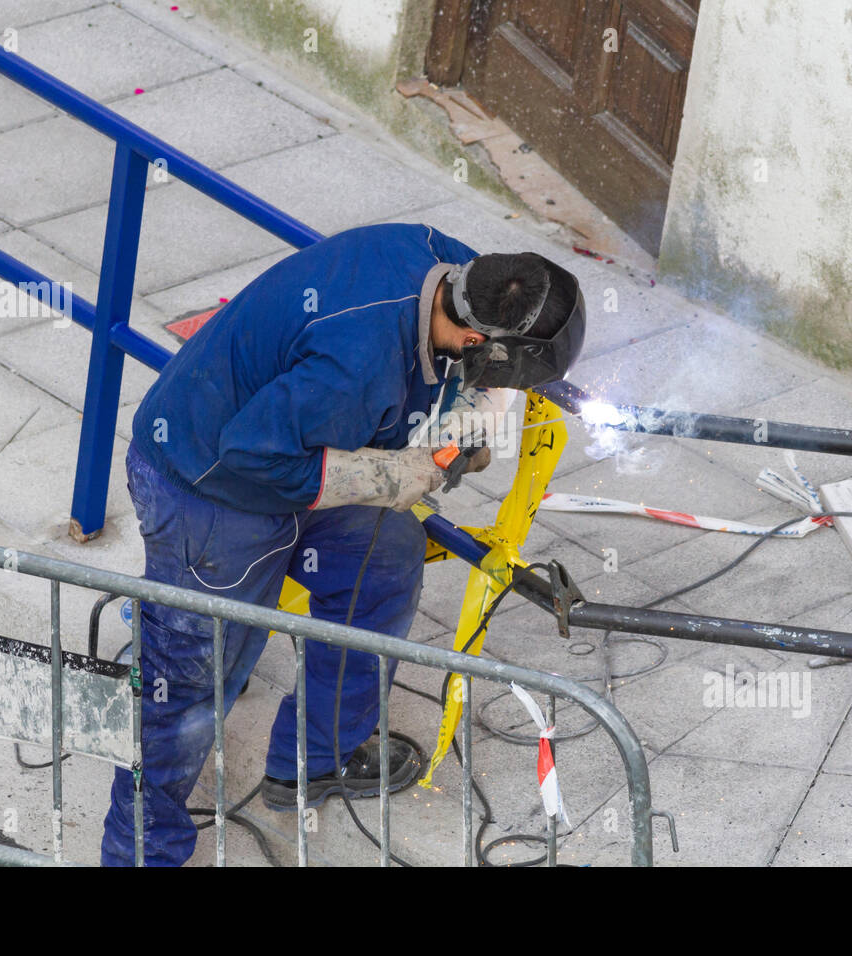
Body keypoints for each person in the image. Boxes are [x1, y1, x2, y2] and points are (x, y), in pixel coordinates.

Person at [101, 222, 586, 866]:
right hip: (212, 489)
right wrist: (391, 475)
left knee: (386, 557)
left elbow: (474, 373)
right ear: (476, 339)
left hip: (297, 453)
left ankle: (312, 758)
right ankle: (141, 852)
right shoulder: (355, 362)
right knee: (191, 685)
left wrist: (473, 409)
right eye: (506, 368)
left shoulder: (461, 271)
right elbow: (250, 456)